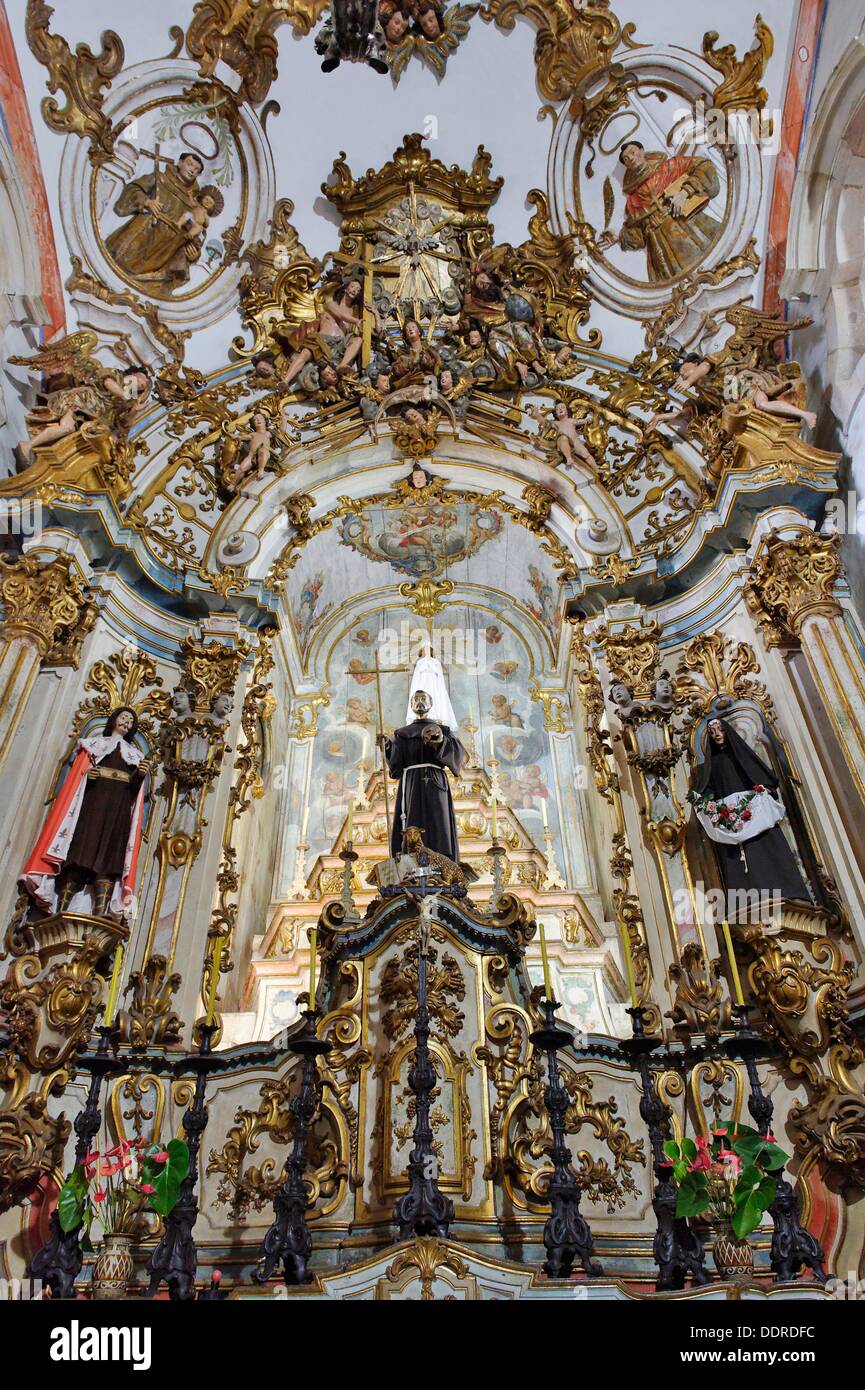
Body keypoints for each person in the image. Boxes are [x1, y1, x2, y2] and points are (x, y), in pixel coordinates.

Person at [21, 707, 149, 920]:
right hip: (93, 807)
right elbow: (77, 779)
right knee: (81, 851)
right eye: (123, 717)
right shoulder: (95, 746)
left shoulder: (134, 755)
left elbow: (134, 791)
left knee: (109, 859)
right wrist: (89, 776)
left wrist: (139, 775)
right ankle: (61, 906)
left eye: (130, 720)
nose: (126, 721)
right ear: (114, 720)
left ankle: (99, 914)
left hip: (117, 811)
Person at [689, 717, 809, 902]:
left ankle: (788, 892)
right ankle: (749, 900)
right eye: (712, 733)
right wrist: (705, 802)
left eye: (720, 730)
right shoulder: (712, 766)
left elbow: (763, 778)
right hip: (731, 823)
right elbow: (707, 789)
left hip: (755, 816)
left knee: (768, 852)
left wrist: (762, 791)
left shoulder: (742, 755)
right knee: (741, 861)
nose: (717, 735)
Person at [597, 141, 721, 282]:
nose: (631, 158)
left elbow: (704, 166)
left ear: (642, 151)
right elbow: (638, 234)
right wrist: (618, 238)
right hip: (662, 250)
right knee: (680, 290)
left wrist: (685, 192)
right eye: (626, 159)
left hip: (691, 229)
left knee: (714, 263)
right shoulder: (633, 200)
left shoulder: (671, 167)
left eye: (632, 152)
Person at [105, 151, 210, 294]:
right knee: (113, 269)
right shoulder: (160, 179)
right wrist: (146, 202)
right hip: (139, 237)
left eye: (197, 170)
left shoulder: (193, 203)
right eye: (190, 164)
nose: (192, 170)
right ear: (180, 163)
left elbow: (193, 234)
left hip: (163, 253)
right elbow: (133, 189)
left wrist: (193, 256)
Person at [385, 687, 466, 861]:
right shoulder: (401, 734)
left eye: (423, 699)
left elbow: (458, 755)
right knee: (411, 818)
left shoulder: (442, 730)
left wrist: (440, 742)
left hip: (435, 781)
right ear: (411, 705)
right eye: (415, 700)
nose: (419, 702)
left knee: (438, 819)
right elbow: (396, 768)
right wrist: (387, 746)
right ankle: (409, 858)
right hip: (411, 782)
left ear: (431, 704)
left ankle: (441, 859)